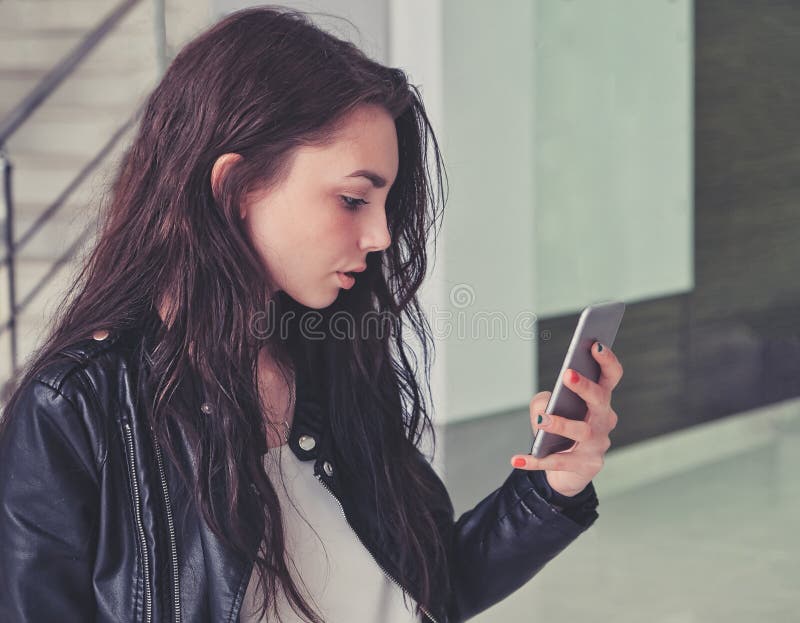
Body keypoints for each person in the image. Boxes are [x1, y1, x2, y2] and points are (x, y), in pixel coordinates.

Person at [0, 6, 623, 623]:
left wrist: (552, 485)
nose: (380, 236)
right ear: (234, 187)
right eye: (353, 199)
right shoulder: (77, 407)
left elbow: (432, 586)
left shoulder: (331, 357)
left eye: (382, 203)